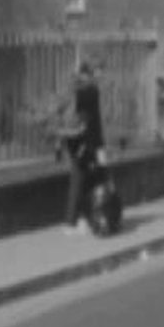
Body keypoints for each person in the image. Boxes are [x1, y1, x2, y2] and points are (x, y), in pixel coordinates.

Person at [58, 62, 105, 234]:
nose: (100, 75)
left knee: (85, 180)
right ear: (90, 74)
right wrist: (98, 146)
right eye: (98, 72)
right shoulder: (89, 92)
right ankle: (72, 222)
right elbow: (91, 123)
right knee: (81, 180)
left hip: (76, 141)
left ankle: (83, 218)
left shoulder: (75, 90)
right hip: (85, 143)